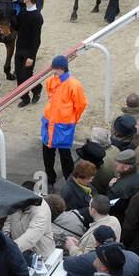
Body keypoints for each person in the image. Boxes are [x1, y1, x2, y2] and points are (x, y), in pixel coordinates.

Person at [41, 55, 87, 186]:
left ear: (63, 68)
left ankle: (71, 182)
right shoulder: (50, 81)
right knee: (47, 155)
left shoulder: (74, 85)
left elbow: (81, 104)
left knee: (65, 156)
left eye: (56, 69)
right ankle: (50, 179)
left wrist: (72, 119)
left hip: (63, 125)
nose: (54, 71)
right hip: (50, 123)